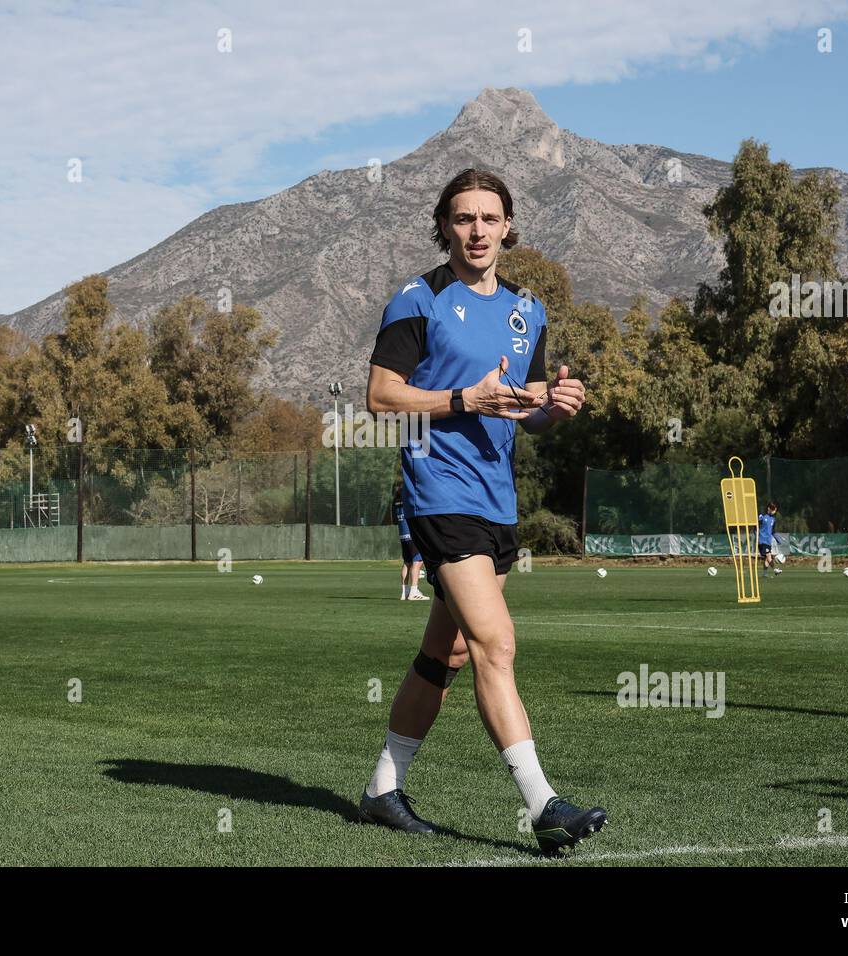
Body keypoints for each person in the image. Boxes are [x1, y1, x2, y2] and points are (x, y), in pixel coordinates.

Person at [359, 168, 607, 856]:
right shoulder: (418, 300)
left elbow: (524, 411)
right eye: (463, 218)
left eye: (489, 218)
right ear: (443, 226)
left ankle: (383, 789)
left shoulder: (530, 311)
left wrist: (552, 408)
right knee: (497, 643)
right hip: (440, 493)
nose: (476, 231)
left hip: (498, 500)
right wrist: (463, 400)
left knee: (453, 651)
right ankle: (543, 805)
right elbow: (382, 398)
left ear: (508, 227)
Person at [392, 483, 428, 600]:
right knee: (417, 562)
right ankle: (414, 591)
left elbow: (395, 521)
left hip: (403, 536)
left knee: (407, 562)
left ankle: (404, 592)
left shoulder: (396, 503)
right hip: (413, 536)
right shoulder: (410, 501)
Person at [758, 501, 782, 577]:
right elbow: (756, 527)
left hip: (768, 541)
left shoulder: (773, 519)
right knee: (768, 556)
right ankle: (775, 570)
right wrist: (757, 537)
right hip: (762, 540)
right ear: (769, 508)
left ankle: (764, 574)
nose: (775, 512)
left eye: (775, 510)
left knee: (767, 558)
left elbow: (773, 531)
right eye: (774, 510)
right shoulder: (762, 517)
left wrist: (778, 539)